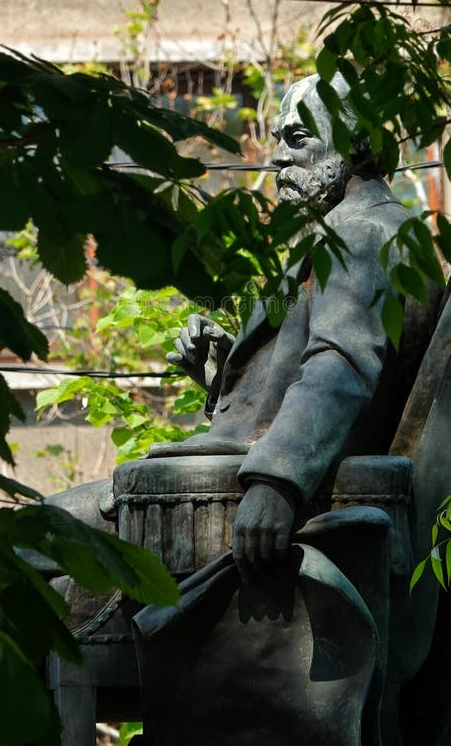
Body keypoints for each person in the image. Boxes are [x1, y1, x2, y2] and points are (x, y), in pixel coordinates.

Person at [165, 71, 434, 581]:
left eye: (298, 137)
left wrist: (276, 482)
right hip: (225, 485)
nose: (279, 158)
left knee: (40, 549)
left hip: (256, 503)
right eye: (278, 141)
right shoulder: (344, 233)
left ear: (357, 144)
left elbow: (341, 366)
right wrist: (226, 379)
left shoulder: (364, 235)